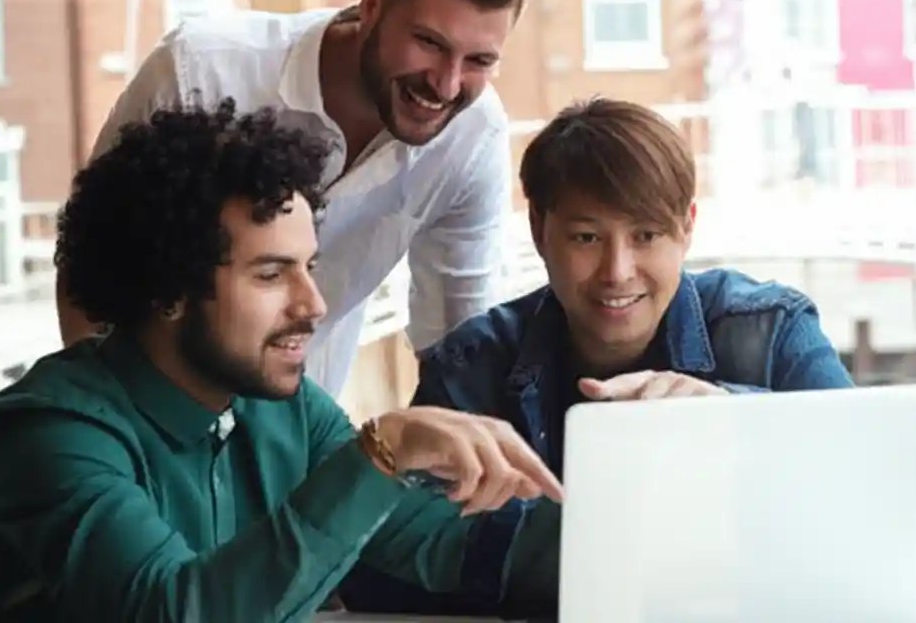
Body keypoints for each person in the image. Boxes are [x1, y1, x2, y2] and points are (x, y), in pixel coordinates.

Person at [0, 102, 562, 622]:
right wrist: (381, 453)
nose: (313, 305)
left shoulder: (283, 410)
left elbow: (449, 542)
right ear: (168, 289)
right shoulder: (49, 435)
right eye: (270, 275)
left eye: (308, 267)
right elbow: (173, 610)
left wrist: (610, 504)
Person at [339, 97, 855, 614]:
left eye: (645, 236)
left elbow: (864, 493)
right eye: (586, 238)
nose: (617, 272)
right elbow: (373, 569)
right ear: (539, 230)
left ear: (687, 228)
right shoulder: (473, 364)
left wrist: (733, 420)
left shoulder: (772, 329)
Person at [57, 0, 530, 397]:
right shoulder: (200, 70)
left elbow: (458, 344)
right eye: (429, 42)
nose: (447, 84)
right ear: (372, 6)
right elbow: (90, 270)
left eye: (479, 60)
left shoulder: (473, 135)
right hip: (152, 410)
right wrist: (120, 422)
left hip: (305, 418)